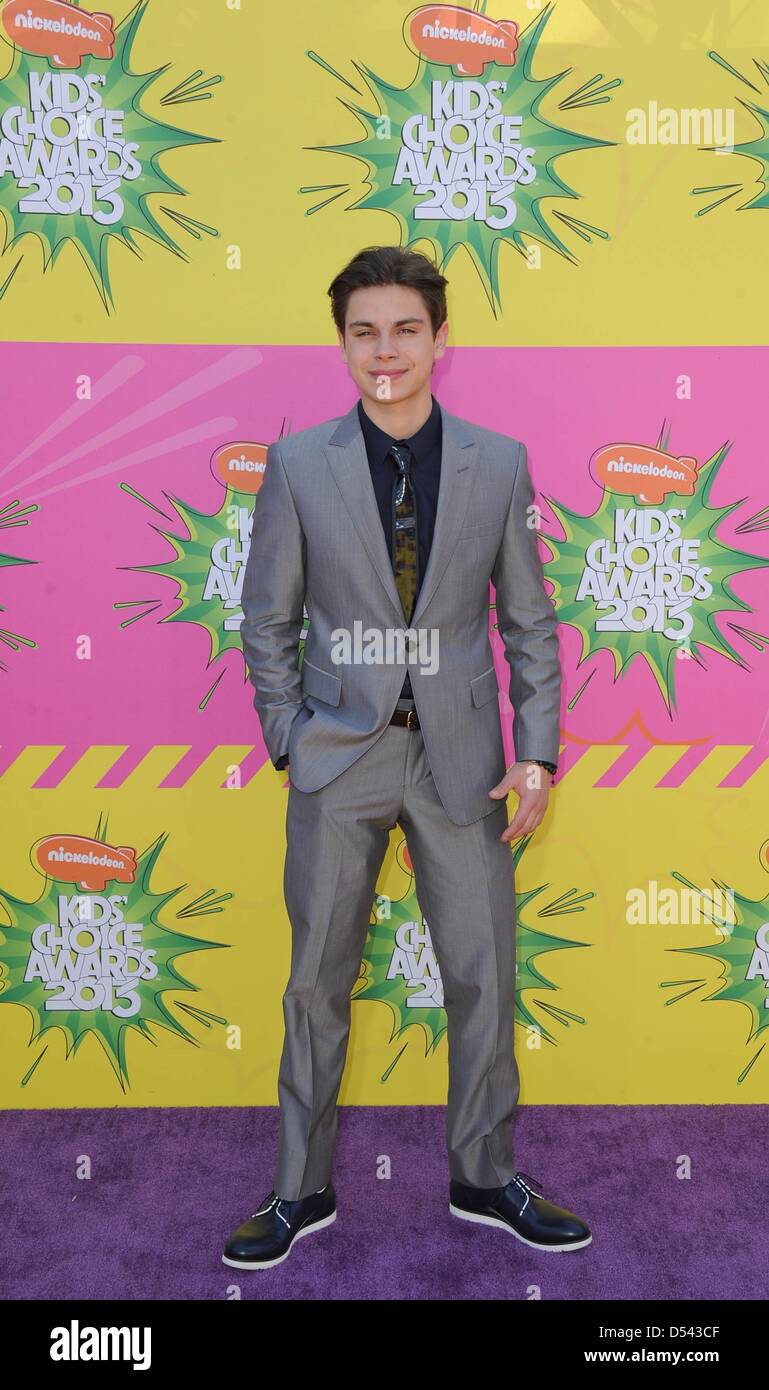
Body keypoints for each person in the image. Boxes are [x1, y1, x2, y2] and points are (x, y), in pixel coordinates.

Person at [222, 245, 591, 1270]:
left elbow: (527, 622)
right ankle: (301, 1188)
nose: (385, 351)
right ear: (341, 340)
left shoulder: (499, 461)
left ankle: (483, 1175)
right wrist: (293, 741)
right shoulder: (296, 466)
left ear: (440, 339)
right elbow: (267, 620)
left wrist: (537, 759)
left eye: (405, 330)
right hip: (338, 762)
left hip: (464, 763)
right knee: (315, 984)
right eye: (363, 331)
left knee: (481, 974)